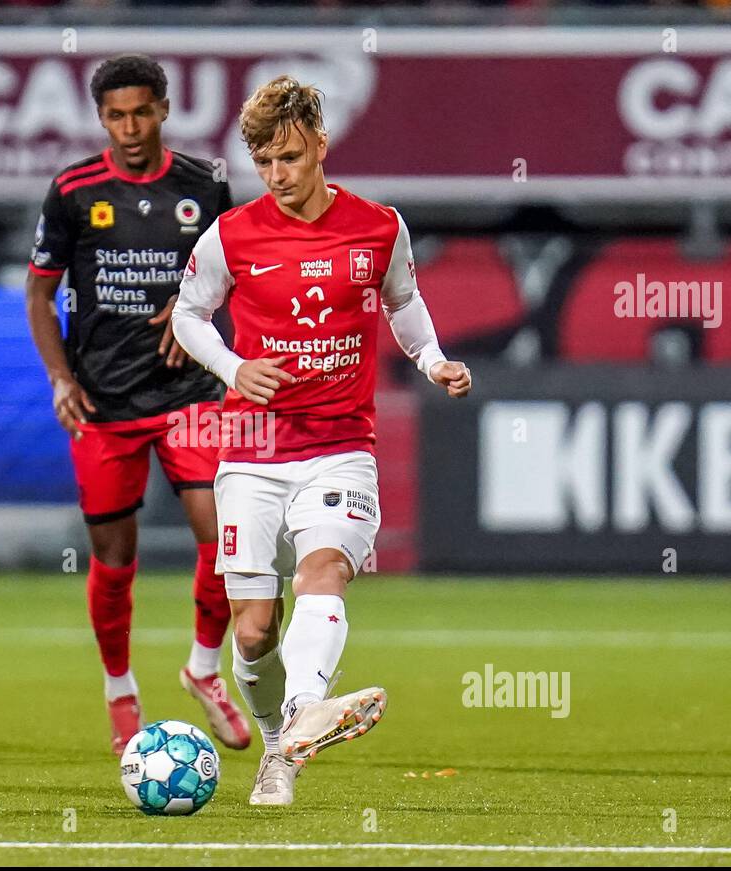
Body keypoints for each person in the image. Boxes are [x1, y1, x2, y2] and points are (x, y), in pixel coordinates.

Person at [171, 75, 472, 805]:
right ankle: (279, 745)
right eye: (265, 162)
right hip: (251, 451)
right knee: (250, 631)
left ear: (320, 145)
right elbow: (188, 316)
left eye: (290, 159)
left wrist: (432, 361)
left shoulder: (378, 227)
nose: (277, 177)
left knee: (324, 569)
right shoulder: (232, 235)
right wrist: (238, 366)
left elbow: (404, 302)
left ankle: (306, 707)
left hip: (341, 444)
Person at [24, 54, 250, 755]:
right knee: (114, 555)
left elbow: (236, 272)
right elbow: (39, 293)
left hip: (188, 394)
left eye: (141, 111)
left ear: (163, 109)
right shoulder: (73, 190)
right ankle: (119, 686)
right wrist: (62, 379)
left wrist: (196, 317)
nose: (129, 126)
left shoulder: (206, 185)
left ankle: (205, 670)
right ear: (100, 118)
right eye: (115, 115)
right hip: (104, 400)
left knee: (223, 534)